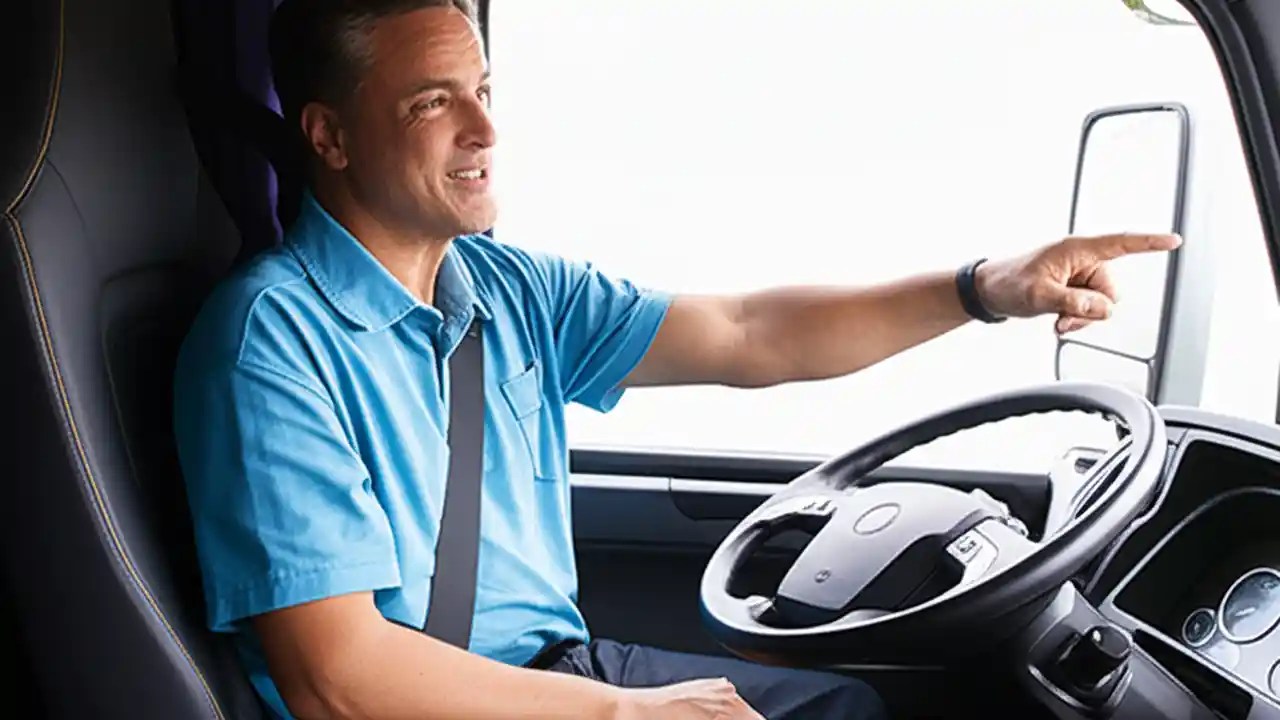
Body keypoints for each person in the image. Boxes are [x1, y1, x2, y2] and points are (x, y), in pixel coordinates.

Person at [171, 1, 1181, 718]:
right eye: (434, 101)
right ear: (329, 136)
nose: (485, 128)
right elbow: (338, 680)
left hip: (550, 670)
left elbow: (750, 333)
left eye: (482, 88)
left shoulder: (507, 288)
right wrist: (622, 713)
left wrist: (984, 288)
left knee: (843, 707)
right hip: (429, 704)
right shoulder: (271, 339)